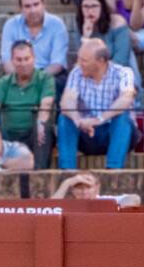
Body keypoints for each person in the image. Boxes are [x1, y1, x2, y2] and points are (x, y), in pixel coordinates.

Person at [0, 41, 56, 168]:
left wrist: (40, 123)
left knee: (44, 129)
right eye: (18, 59)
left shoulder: (45, 79)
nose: (23, 63)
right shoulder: (4, 82)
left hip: (33, 132)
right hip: (8, 134)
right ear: (12, 61)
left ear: (34, 59)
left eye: (26, 59)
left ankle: (39, 172)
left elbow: (46, 104)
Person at [57, 40, 137, 170]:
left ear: (100, 61)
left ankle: (113, 170)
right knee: (65, 118)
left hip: (113, 131)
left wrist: (98, 120)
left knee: (123, 116)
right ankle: (67, 171)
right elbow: (67, 101)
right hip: (86, 132)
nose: (79, 63)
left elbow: (126, 99)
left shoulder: (123, 72)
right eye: (79, 59)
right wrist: (78, 120)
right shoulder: (76, 73)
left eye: (84, 60)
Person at [1, 0, 69, 78]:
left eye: (36, 4)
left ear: (43, 4)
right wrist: (21, 80)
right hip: (18, 76)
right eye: (27, 6)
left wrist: (34, 81)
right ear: (20, 8)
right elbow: (7, 62)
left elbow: (57, 64)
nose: (33, 10)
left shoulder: (57, 25)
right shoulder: (11, 25)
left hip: (49, 75)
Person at [74, 0, 134, 84]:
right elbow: (81, 62)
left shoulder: (117, 23)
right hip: (91, 76)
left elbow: (121, 59)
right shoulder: (81, 26)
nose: (90, 11)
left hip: (118, 76)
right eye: (85, 6)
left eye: (94, 6)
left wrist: (99, 73)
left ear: (102, 7)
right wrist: (86, 38)